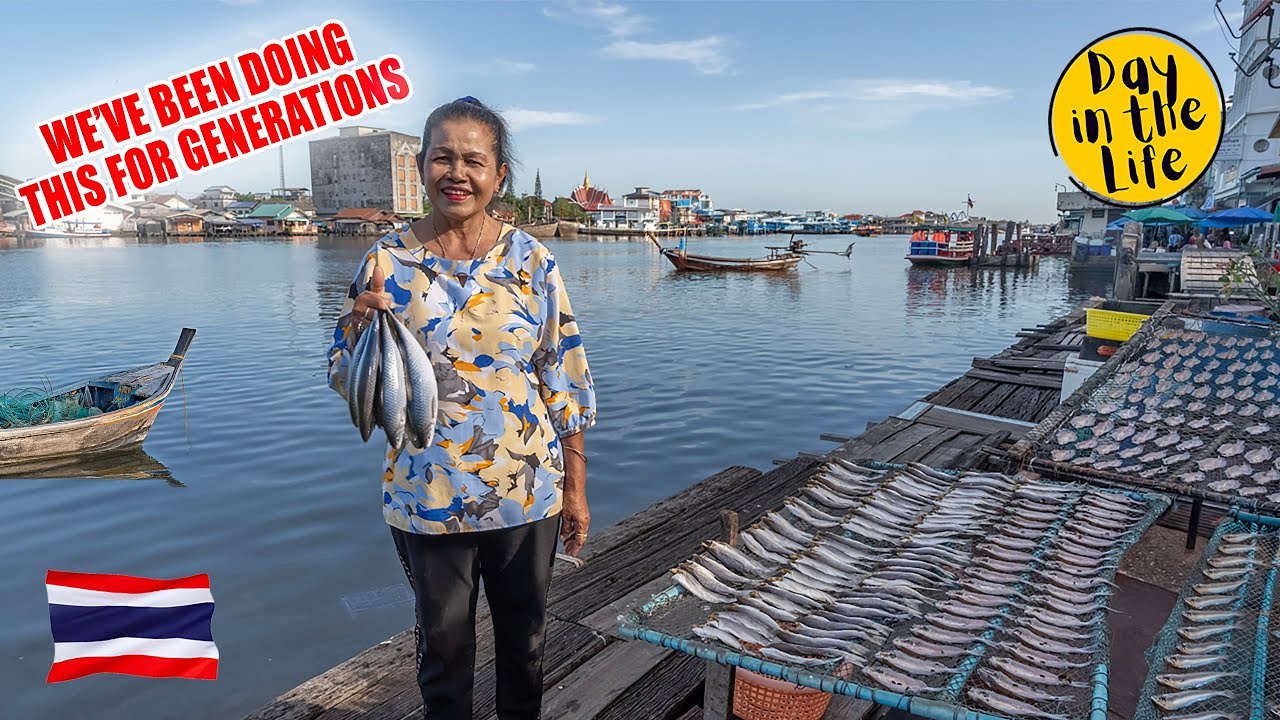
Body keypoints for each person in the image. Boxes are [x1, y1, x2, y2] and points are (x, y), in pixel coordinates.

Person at [327, 97, 597, 720]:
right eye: (442, 157)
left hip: (527, 492)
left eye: (474, 160)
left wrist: (577, 488)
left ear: (499, 173)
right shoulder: (384, 263)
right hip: (426, 495)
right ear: (421, 166)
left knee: (525, 651)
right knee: (443, 653)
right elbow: (349, 380)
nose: (457, 172)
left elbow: (565, 376)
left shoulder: (533, 260)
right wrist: (352, 327)